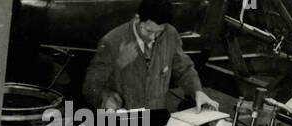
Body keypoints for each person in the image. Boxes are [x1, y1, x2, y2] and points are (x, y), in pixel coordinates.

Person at [83, 0, 220, 114]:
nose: (152, 38)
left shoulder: (170, 34)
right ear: (137, 19)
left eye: (158, 32)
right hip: (122, 123)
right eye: (148, 31)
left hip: (155, 122)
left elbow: (183, 68)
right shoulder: (112, 41)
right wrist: (105, 97)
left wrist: (197, 91)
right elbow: (91, 85)